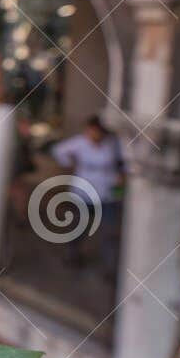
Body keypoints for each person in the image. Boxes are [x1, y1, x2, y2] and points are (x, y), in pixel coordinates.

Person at [49, 115, 125, 271]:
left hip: (107, 191)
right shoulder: (79, 143)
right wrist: (69, 163)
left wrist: (120, 179)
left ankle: (109, 266)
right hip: (84, 190)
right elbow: (58, 151)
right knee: (78, 225)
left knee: (109, 230)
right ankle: (72, 256)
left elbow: (123, 162)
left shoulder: (112, 144)